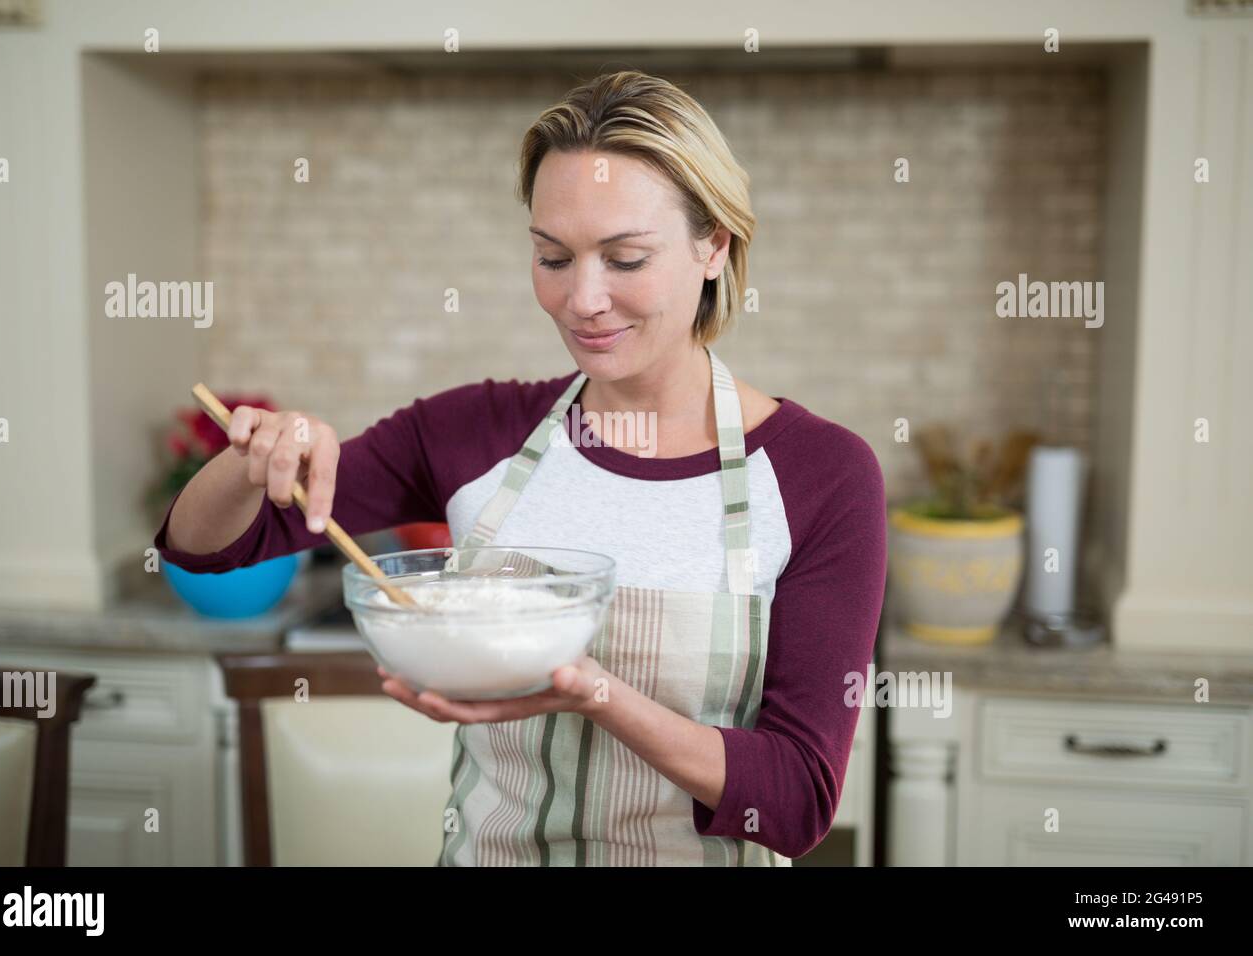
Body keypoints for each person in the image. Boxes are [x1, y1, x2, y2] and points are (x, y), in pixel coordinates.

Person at [155, 69, 887, 866]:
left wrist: (592, 692)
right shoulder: (474, 431)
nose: (584, 299)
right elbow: (203, 548)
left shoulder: (825, 475)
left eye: (626, 258)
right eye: (553, 256)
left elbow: (796, 801)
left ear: (714, 244)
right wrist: (253, 455)